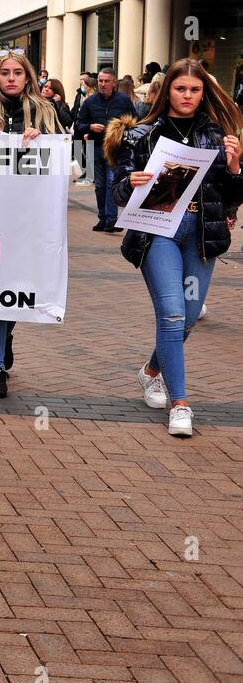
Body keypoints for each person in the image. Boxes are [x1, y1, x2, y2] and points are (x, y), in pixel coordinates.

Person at [107, 59, 243, 438]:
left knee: (188, 316)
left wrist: (234, 167)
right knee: (171, 314)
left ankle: (151, 371)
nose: (187, 96)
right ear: (167, 91)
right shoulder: (141, 134)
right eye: (180, 88)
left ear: (203, 93)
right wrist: (131, 183)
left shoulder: (217, 135)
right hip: (157, 233)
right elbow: (117, 191)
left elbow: (233, 196)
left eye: (195, 90)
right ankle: (180, 404)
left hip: (200, 235)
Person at [0, 52, 63, 398]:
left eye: (17, 73)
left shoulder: (45, 111)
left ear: (28, 77)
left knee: (18, 283)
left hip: (29, 218)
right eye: (4, 73)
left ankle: (7, 332)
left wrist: (44, 137)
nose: (11, 78)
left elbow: (63, 162)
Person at [75, 68, 136, 233]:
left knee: (111, 183)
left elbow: (134, 121)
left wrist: (122, 130)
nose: (103, 84)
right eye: (101, 81)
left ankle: (111, 219)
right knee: (100, 186)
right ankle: (102, 218)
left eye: (106, 81)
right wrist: (90, 127)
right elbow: (79, 124)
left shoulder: (123, 100)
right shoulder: (90, 102)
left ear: (114, 83)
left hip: (114, 148)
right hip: (94, 147)